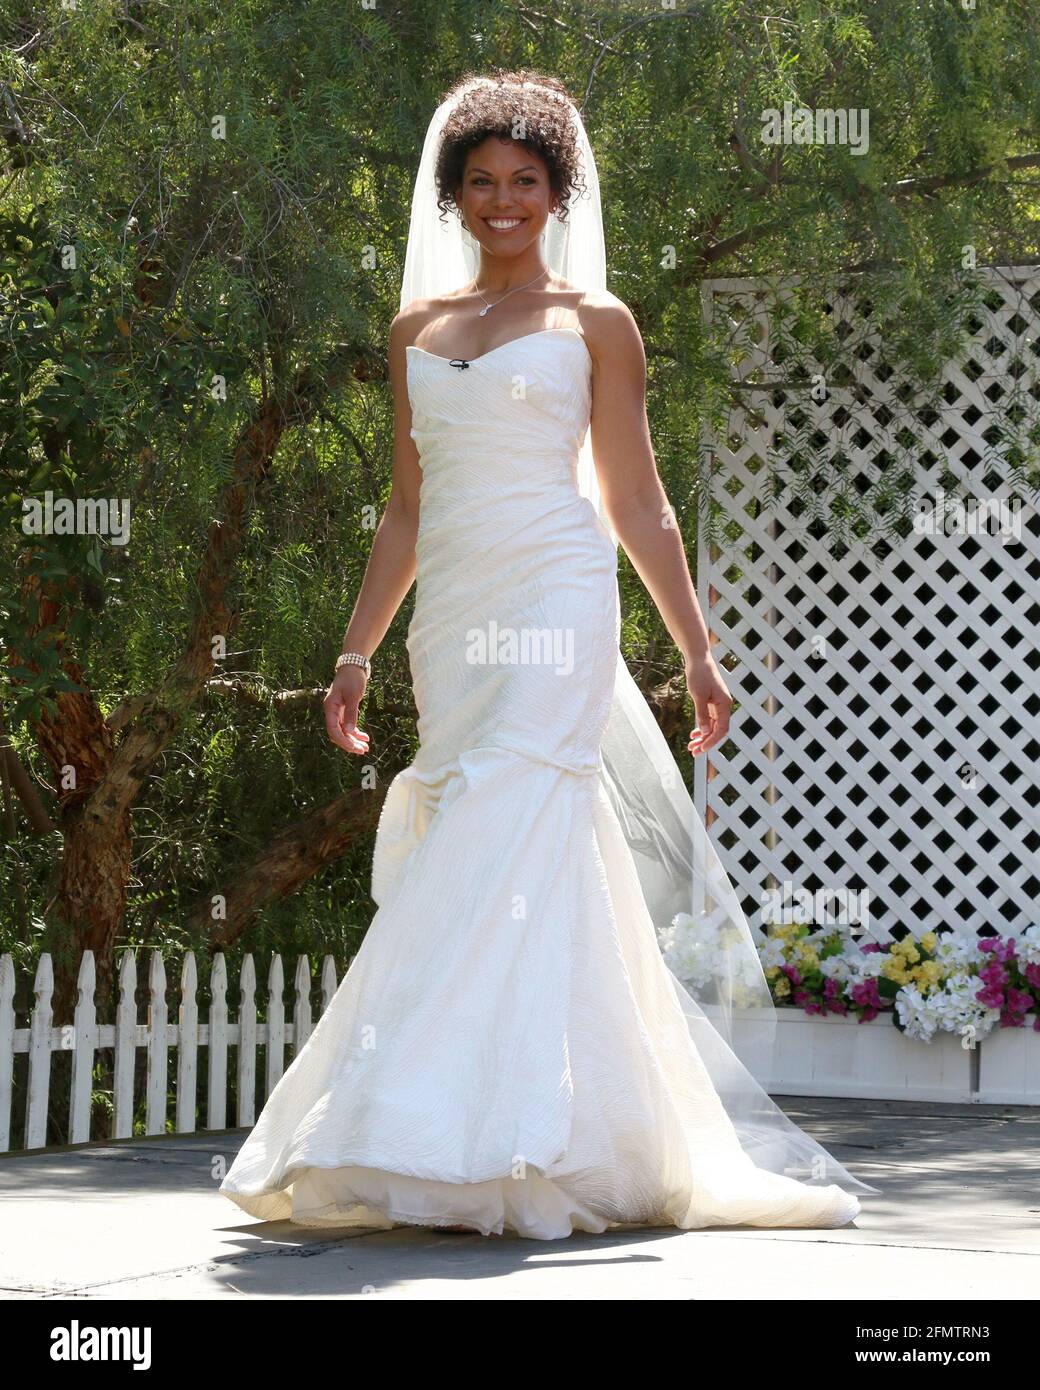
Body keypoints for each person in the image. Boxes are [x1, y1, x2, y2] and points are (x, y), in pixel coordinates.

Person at [219, 70, 879, 1240]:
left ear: (555, 191)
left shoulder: (596, 323)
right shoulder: (412, 332)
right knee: (507, 850)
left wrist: (699, 654)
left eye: (525, 181)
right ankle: (559, 1130)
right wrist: (354, 653)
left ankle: (452, 1132)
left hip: (559, 603)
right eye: (482, 183)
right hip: (455, 624)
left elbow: (638, 500)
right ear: (454, 198)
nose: (504, 200)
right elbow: (405, 512)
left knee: (502, 817)